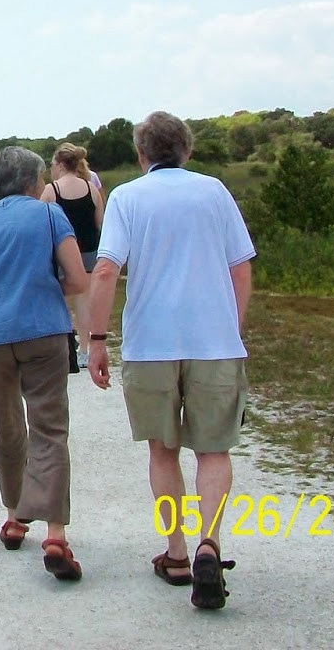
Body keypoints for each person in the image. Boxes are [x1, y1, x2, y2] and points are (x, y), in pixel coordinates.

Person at [84, 111, 254, 611]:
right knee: (214, 450)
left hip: (151, 344)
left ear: (141, 154)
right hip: (214, 343)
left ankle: (176, 552)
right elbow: (240, 269)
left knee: (162, 451)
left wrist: (96, 338)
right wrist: (233, 328)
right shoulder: (214, 191)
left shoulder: (127, 197)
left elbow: (106, 269)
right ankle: (210, 543)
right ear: (187, 149)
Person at [0, 146, 90, 582]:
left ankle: (13, 517)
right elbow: (77, 280)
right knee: (49, 426)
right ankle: (56, 533)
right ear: (32, 181)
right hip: (42, 330)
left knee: (7, 425)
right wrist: (45, 284)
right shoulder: (49, 217)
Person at [38, 143, 104, 369]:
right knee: (84, 302)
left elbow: (40, 224)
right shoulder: (91, 189)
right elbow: (99, 224)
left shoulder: (51, 190)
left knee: (61, 301)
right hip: (88, 251)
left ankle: (66, 349)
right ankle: (84, 349)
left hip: (60, 252)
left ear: (59, 164)